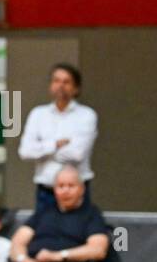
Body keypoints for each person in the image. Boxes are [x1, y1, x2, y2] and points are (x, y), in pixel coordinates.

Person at [0, 165, 109, 262]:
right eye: (61, 186)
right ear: (54, 190)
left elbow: (97, 249)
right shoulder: (43, 212)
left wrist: (59, 256)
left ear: (82, 189)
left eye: (71, 186)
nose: (65, 190)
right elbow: (18, 241)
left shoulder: (91, 214)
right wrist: (23, 260)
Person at [17, 64, 98, 214]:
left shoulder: (86, 115)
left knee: (77, 234)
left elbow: (77, 154)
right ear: (50, 85)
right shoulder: (38, 114)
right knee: (45, 234)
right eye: (56, 81)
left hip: (77, 191)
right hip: (46, 191)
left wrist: (42, 150)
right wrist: (55, 145)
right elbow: (25, 152)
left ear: (76, 88)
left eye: (66, 82)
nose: (60, 86)